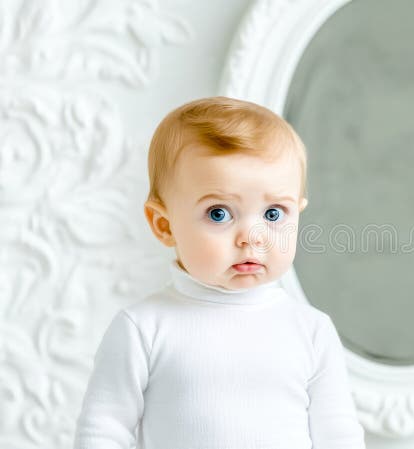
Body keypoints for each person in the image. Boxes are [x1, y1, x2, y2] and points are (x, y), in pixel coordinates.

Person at [74, 96, 365, 449]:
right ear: (164, 224)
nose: (251, 237)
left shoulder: (312, 331)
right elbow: (103, 432)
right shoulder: (144, 329)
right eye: (219, 214)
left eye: (274, 214)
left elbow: (339, 437)